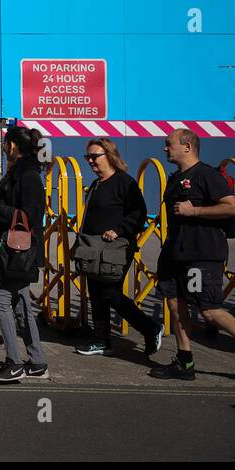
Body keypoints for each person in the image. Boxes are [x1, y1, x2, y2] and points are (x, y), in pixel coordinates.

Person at [149, 128, 235, 380]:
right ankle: (185, 362)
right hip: (175, 254)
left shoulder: (207, 175)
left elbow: (232, 208)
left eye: (169, 144)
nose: (165, 148)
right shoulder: (175, 178)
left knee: (209, 310)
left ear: (188, 147)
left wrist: (195, 212)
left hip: (201, 255)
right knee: (174, 302)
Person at [0, 125, 48, 382]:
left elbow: (30, 216)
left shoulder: (26, 176)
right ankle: (36, 362)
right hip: (16, 249)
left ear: (12, 146)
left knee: (2, 301)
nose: (4, 149)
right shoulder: (21, 173)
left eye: (5, 144)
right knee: (22, 304)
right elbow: (4, 218)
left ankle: (13, 363)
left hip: (19, 250)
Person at [74, 138, 162, 358]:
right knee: (95, 293)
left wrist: (119, 229)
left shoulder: (124, 182)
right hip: (93, 248)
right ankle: (101, 340)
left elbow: (138, 212)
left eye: (95, 156)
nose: (91, 161)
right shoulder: (96, 184)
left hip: (115, 249)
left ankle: (150, 327)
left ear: (110, 156)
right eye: (88, 157)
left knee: (110, 293)